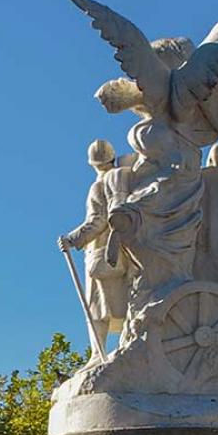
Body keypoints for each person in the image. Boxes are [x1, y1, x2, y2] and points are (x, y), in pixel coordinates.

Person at [58, 139, 130, 354]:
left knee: (97, 308)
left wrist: (72, 239)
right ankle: (121, 348)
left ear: (92, 164)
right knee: (121, 304)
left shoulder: (100, 185)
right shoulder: (123, 180)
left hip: (101, 254)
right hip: (121, 253)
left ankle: (98, 354)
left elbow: (98, 221)